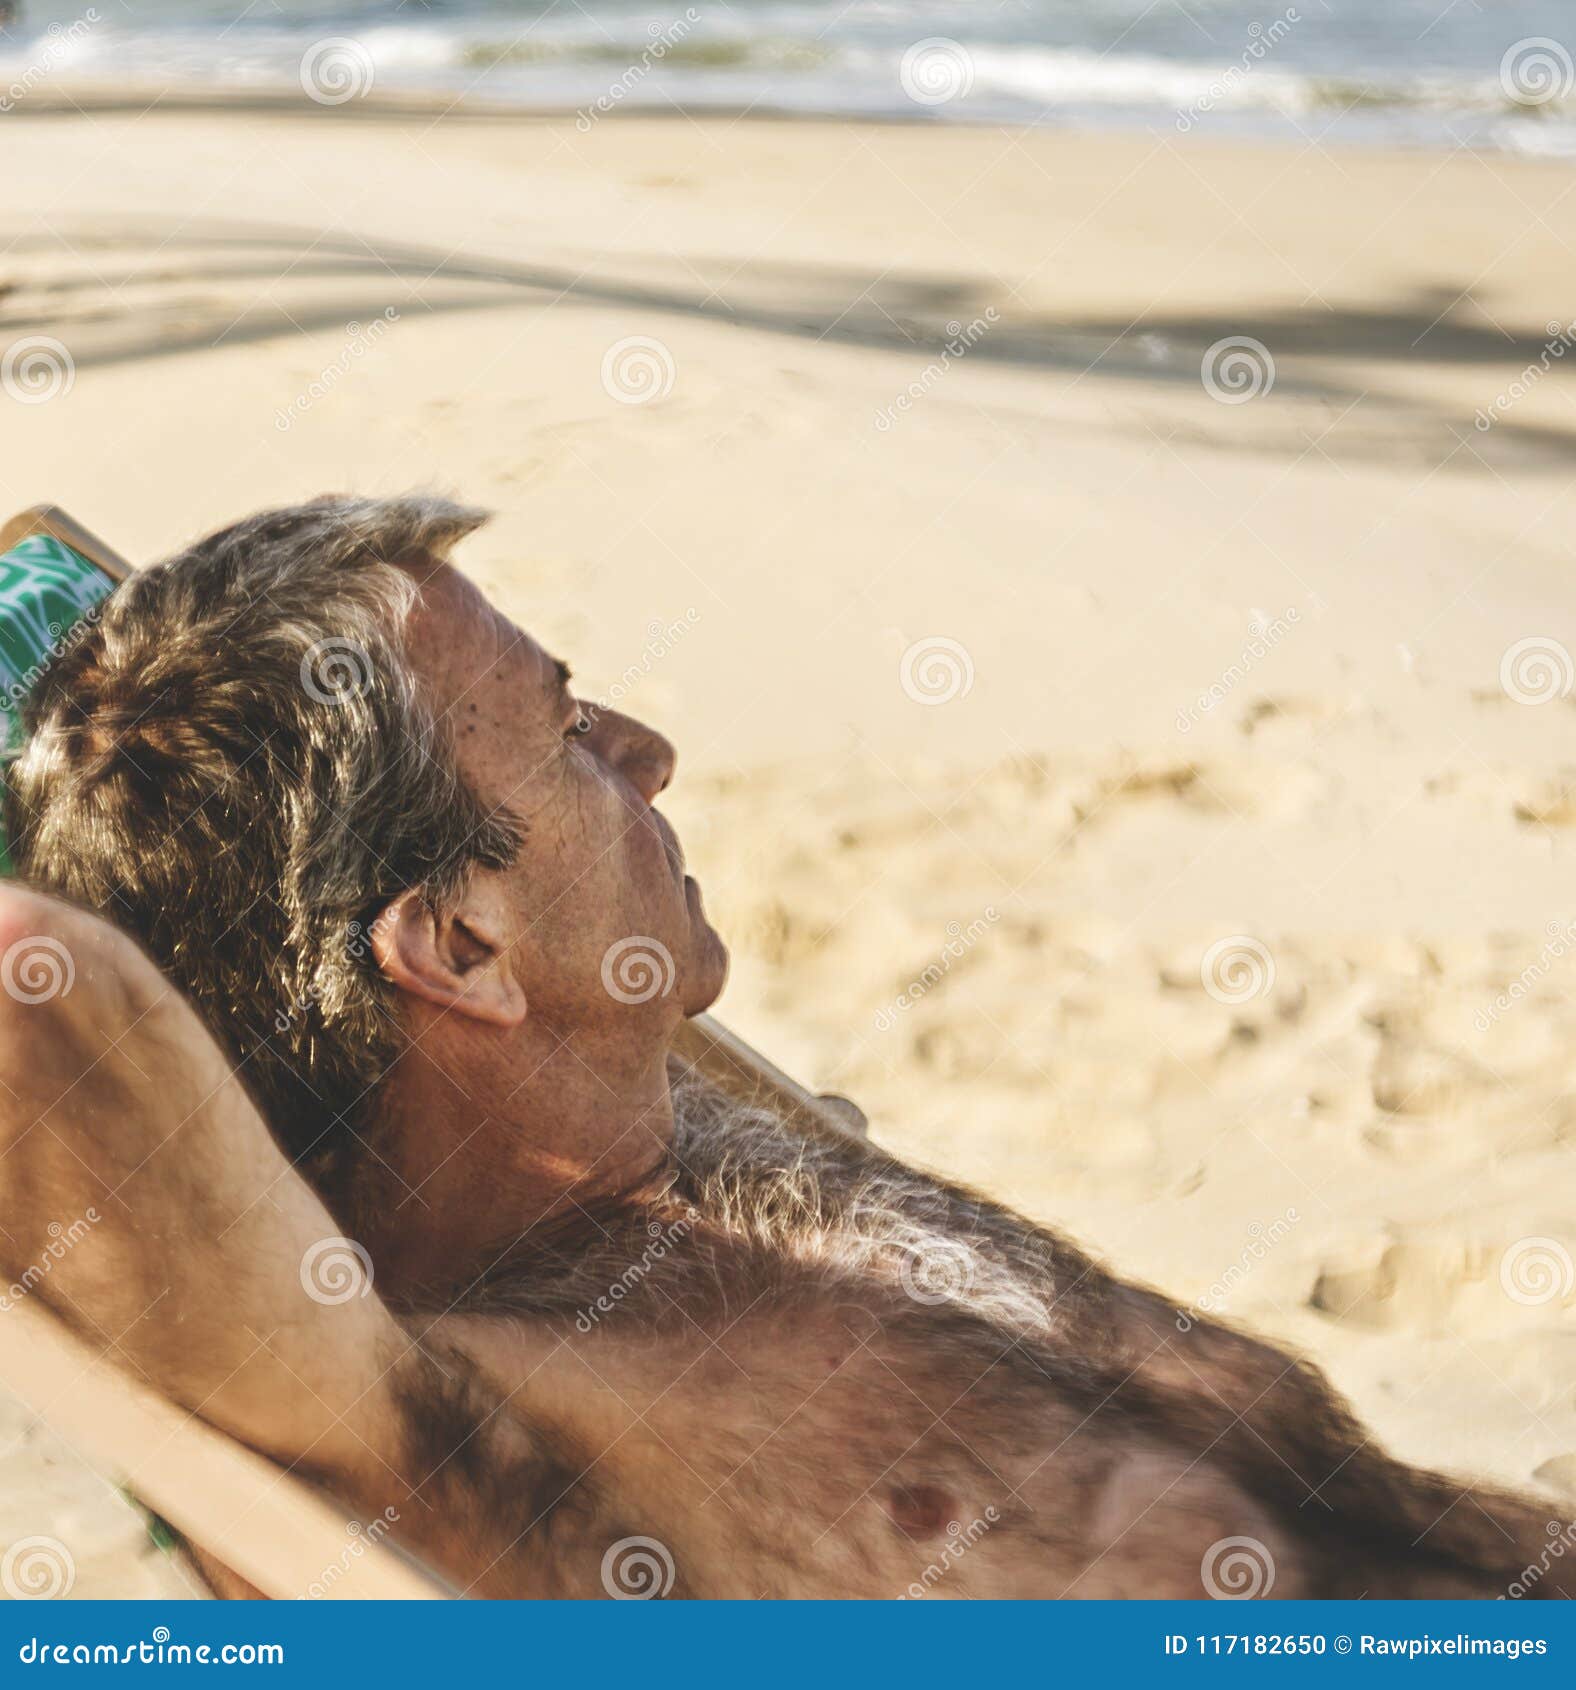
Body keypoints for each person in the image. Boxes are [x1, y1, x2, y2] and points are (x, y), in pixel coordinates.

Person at [1, 497, 1564, 1599]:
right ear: (462, 944)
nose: (649, 755)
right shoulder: (451, 1424)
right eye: (568, 735)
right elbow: (48, 990)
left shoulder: (677, 1141)